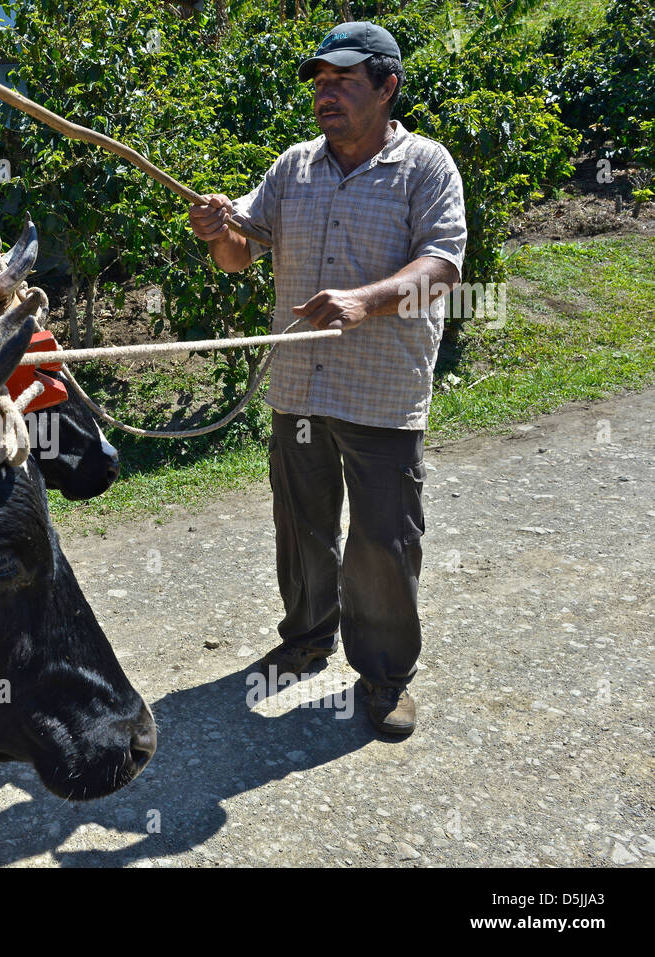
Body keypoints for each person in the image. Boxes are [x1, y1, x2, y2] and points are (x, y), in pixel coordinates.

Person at [188, 22, 467, 735]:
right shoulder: (294, 167)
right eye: (319, 82)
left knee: (384, 538)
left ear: (387, 85)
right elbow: (238, 255)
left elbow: (441, 269)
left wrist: (363, 300)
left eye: (343, 81)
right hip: (300, 389)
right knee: (302, 526)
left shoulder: (426, 167)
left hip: (380, 391)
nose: (326, 94)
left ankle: (383, 676)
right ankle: (307, 637)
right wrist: (219, 228)